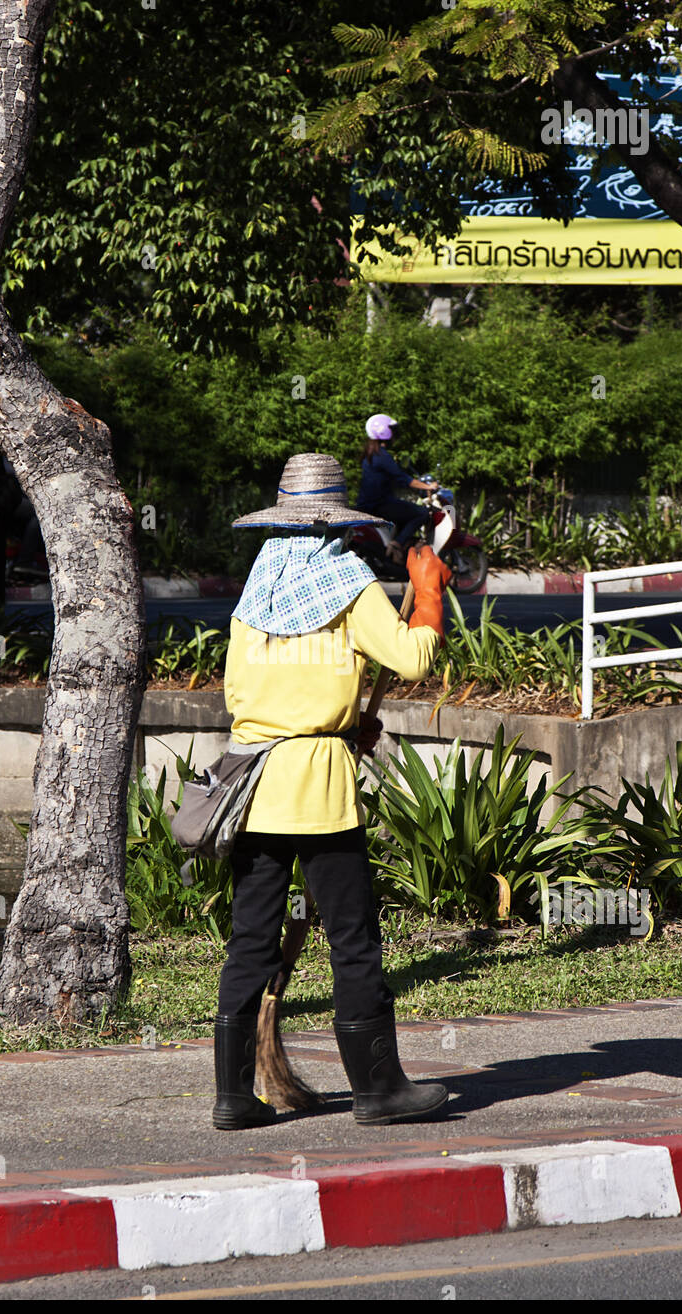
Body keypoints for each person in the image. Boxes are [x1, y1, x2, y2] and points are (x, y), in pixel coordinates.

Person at [213, 451, 453, 1130]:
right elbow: (409, 658)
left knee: (250, 941)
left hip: (254, 784)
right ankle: (378, 1092)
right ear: (338, 526)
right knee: (353, 939)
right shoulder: (346, 582)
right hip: (319, 790)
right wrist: (428, 589)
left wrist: (342, 722)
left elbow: (244, 696)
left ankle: (233, 1098)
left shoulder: (254, 592)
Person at [356, 413, 439, 564]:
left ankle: (400, 548)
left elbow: (395, 478)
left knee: (404, 511)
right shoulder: (382, 456)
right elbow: (403, 478)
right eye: (392, 430)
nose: (395, 434)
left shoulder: (372, 454)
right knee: (422, 513)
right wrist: (428, 486)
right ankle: (397, 545)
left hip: (369, 503)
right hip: (379, 505)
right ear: (385, 432)